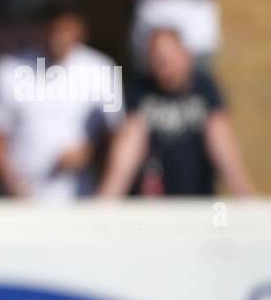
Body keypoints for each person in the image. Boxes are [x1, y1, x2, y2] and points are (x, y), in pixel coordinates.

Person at [0, 6, 122, 199]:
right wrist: (14, 185)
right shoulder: (7, 69)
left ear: (80, 31)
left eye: (66, 29)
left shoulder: (103, 69)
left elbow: (117, 137)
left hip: (84, 198)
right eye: (53, 29)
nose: (58, 37)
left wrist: (87, 154)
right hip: (21, 199)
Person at [99, 27, 254, 197]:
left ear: (186, 55)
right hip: (151, 193)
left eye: (169, 57)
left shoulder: (204, 87)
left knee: (217, 127)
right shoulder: (138, 89)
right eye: (157, 58)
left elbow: (221, 135)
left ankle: (245, 197)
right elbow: (125, 141)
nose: (164, 64)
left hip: (197, 190)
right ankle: (107, 200)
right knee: (132, 130)